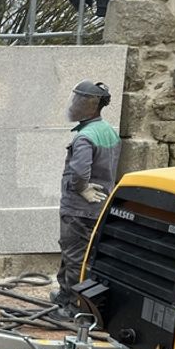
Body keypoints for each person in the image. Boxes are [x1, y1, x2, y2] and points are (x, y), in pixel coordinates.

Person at [54, 80, 120, 314]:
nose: (74, 104)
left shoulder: (85, 137)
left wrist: (81, 188)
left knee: (74, 256)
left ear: (91, 105)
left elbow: (80, 172)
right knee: (78, 252)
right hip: (98, 207)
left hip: (78, 208)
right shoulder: (109, 132)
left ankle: (72, 307)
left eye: (78, 100)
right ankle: (64, 294)